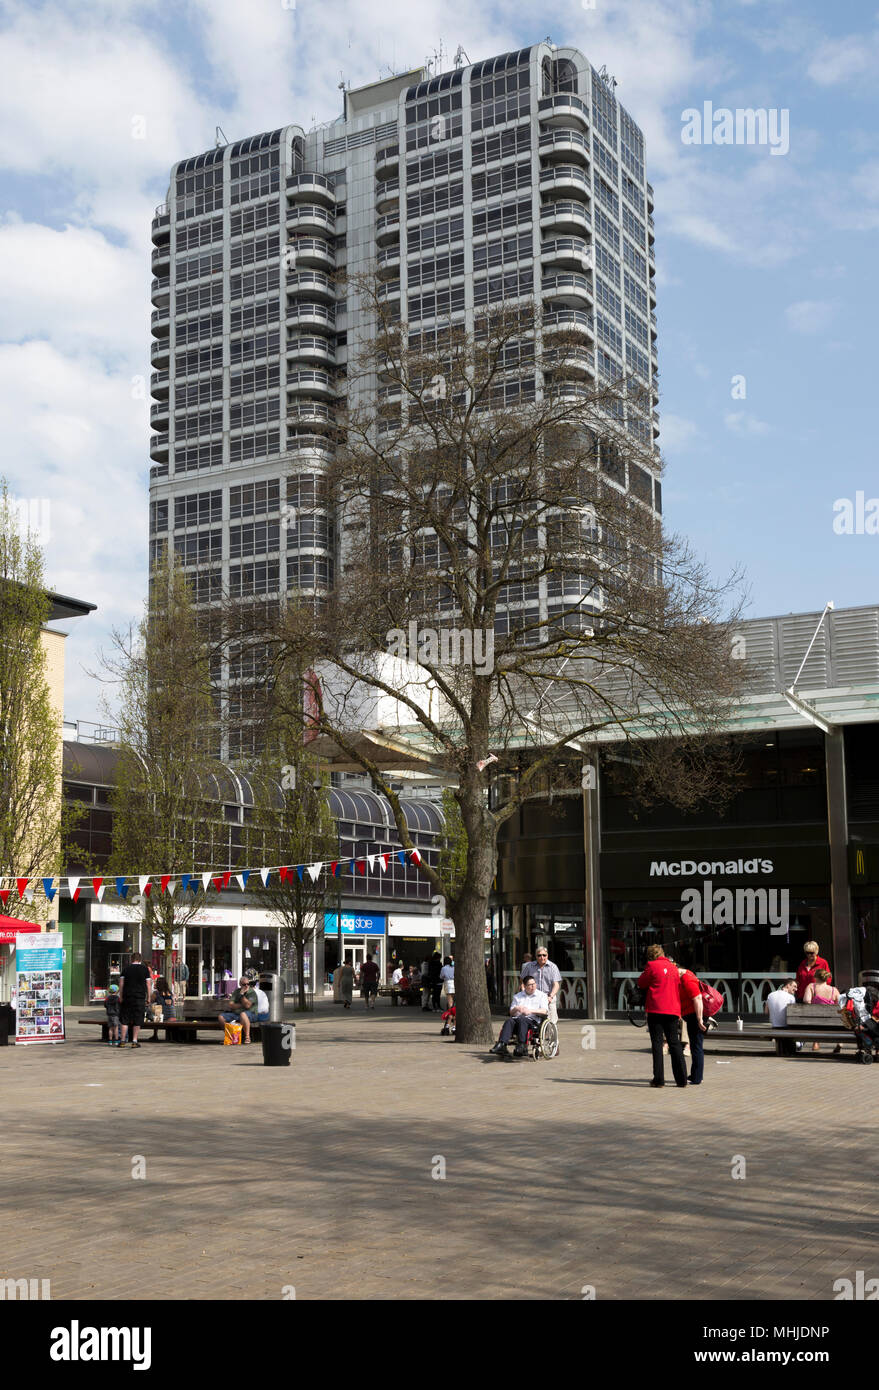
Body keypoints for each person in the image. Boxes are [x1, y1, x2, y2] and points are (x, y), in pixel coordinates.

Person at [637, 944, 687, 1088]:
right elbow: (677, 984)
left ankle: (659, 1079)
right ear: (663, 954)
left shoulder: (651, 966)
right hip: (672, 1009)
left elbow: (641, 983)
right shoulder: (673, 967)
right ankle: (681, 1079)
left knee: (657, 1045)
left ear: (651, 956)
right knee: (675, 1043)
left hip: (656, 1009)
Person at [489, 976, 549, 1057]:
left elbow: (544, 1011)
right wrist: (517, 1008)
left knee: (522, 1019)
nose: (533, 986)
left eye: (534, 984)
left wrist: (530, 1011)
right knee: (509, 1020)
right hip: (517, 1020)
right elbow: (511, 1012)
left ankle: (522, 1045)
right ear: (524, 986)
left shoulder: (542, 995)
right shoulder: (518, 996)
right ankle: (502, 1044)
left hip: (533, 1021)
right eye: (530, 985)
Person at [676, 964, 707, 1084]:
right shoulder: (685, 977)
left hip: (695, 1015)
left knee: (697, 1046)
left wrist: (699, 1019)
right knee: (695, 1045)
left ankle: (697, 1077)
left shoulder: (687, 978)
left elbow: (697, 998)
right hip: (691, 1015)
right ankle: (695, 1075)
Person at [118, 951, 152, 1049]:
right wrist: (148, 997)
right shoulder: (145, 970)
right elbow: (148, 985)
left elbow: (121, 984)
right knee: (137, 1019)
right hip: (139, 997)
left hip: (127, 997)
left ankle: (123, 1041)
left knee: (125, 1019)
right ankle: (134, 1041)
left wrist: (121, 996)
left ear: (132, 959)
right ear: (140, 959)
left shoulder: (126, 969)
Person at [521, 948, 561, 1025]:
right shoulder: (529, 966)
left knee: (551, 1023)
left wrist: (551, 997)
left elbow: (556, 984)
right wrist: (524, 994)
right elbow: (523, 982)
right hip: (533, 998)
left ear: (547, 955)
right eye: (539, 955)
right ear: (536, 956)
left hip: (548, 997)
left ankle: (551, 1036)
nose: (542, 957)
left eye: (544, 955)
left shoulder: (553, 967)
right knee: (532, 1022)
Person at [803, 968, 840, 1053]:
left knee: (814, 1018)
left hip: (816, 1022)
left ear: (816, 977)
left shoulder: (811, 986)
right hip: (832, 1022)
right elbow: (839, 1005)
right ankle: (839, 1042)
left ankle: (815, 1042)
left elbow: (806, 1000)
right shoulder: (834, 990)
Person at [765, 978, 799, 1055]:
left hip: (774, 1026)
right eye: (794, 986)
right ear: (788, 985)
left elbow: (766, 1012)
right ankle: (798, 1044)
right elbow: (793, 1015)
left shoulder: (770, 995)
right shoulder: (791, 997)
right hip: (786, 1027)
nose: (796, 989)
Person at [219, 976, 258, 1042]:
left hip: (251, 1013)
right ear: (240, 984)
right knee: (221, 1017)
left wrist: (242, 995)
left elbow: (248, 1006)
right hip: (236, 1013)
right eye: (244, 984)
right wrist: (242, 1005)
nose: (246, 986)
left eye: (247, 984)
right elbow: (231, 1005)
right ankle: (231, 1037)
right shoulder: (236, 992)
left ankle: (247, 1037)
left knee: (243, 1014)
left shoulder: (252, 992)